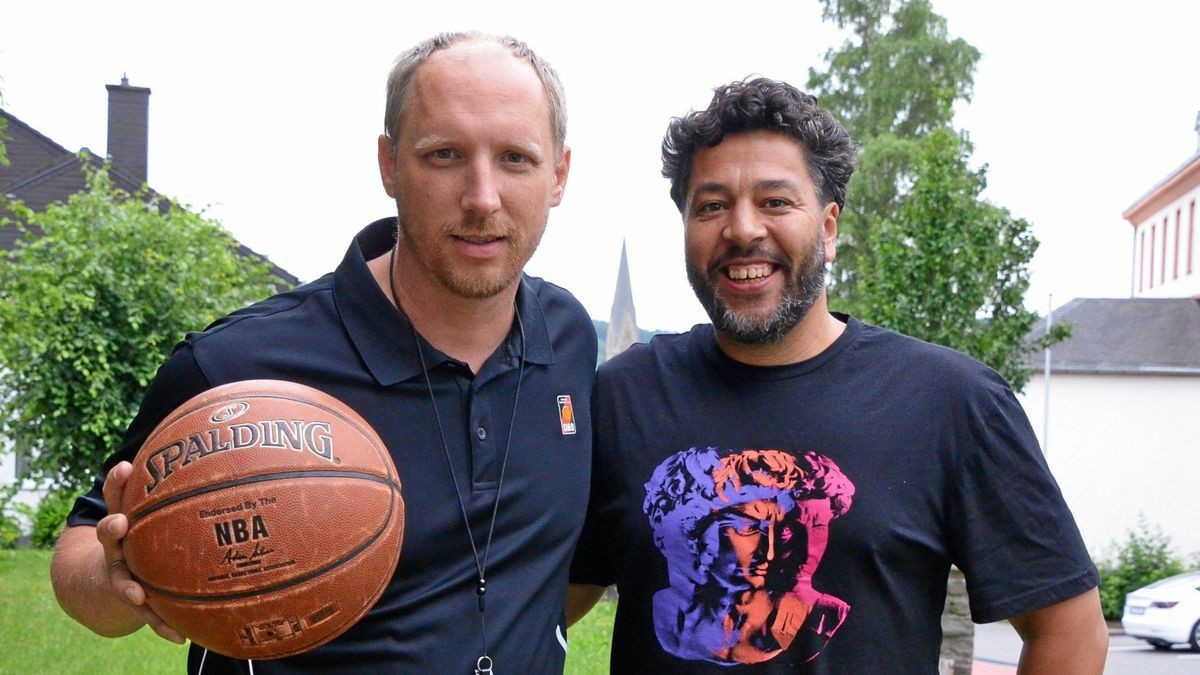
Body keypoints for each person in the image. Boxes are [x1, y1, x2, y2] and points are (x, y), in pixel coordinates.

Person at [51, 32, 595, 674]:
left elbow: (558, 573)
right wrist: (121, 582)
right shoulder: (238, 368)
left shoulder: (569, 338)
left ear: (557, 175)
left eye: (515, 159)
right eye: (444, 154)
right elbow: (81, 551)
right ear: (390, 165)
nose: (482, 197)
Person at [567, 78, 1108, 673]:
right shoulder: (621, 397)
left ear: (828, 228)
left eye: (776, 201)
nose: (743, 229)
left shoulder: (953, 403)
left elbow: (1070, 632)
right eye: (712, 205)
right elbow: (540, 602)